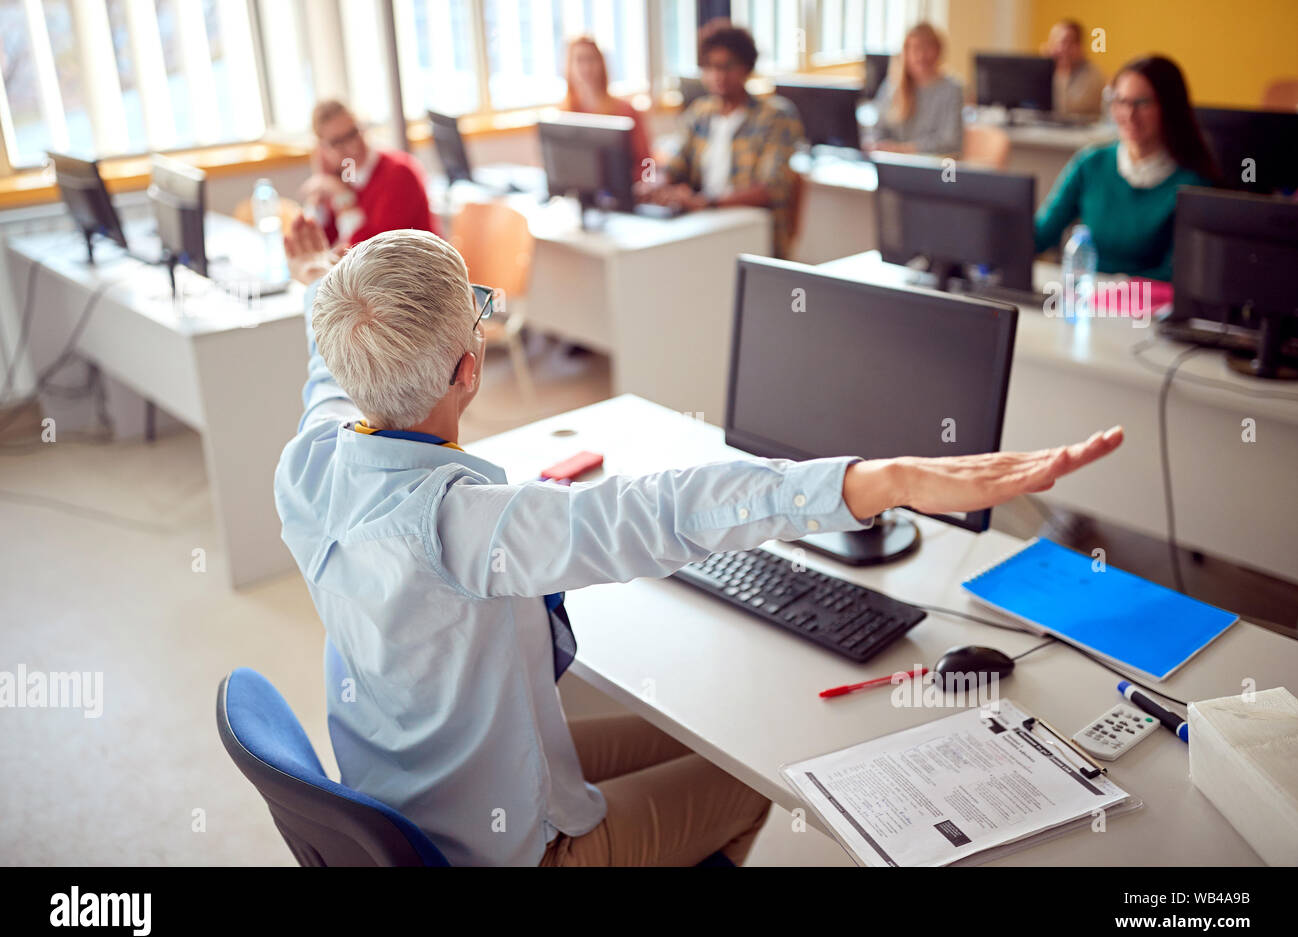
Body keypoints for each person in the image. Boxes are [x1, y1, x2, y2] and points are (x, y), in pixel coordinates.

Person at [274, 213, 1124, 867]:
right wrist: (887, 481)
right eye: (478, 317)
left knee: (689, 731)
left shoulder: (309, 461)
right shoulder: (464, 527)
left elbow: (327, 364)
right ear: (468, 368)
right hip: (507, 849)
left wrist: (326, 281)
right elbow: (663, 513)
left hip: (410, 791)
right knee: (759, 777)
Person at [1034, 56, 1218, 280]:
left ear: (1168, 107)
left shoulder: (1193, 183)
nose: (1129, 114)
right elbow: (1042, 233)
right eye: (1120, 101)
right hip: (1088, 301)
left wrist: (1118, 288)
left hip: (1148, 309)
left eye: (1142, 103)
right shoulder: (1091, 163)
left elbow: (1177, 274)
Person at [645, 20, 804, 259]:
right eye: (710, 67)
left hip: (751, 230)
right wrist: (657, 183)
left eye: (727, 66)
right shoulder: (701, 112)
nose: (717, 75)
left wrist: (706, 203)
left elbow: (770, 188)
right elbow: (677, 164)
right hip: (706, 225)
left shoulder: (774, 116)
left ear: (746, 68)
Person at [301, 99, 440, 249]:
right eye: (337, 142)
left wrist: (343, 197)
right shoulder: (345, 175)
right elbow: (317, 244)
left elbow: (369, 256)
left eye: (353, 133)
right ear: (323, 149)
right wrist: (320, 185)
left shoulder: (399, 174)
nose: (352, 146)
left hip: (414, 270)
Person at [561, 36, 652, 184]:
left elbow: (648, 161)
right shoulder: (564, 116)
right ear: (569, 67)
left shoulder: (626, 112)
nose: (586, 67)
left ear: (601, 64)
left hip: (626, 193)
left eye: (591, 59)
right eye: (579, 60)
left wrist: (648, 185)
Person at [869, 22, 963, 155]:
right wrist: (880, 145)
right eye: (915, 49)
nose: (921, 56)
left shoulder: (952, 89)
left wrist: (902, 150)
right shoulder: (892, 85)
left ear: (938, 50)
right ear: (905, 53)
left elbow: (950, 141)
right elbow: (877, 130)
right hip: (893, 163)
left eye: (927, 48)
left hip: (932, 165)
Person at [1044, 19, 1106, 117]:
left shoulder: (1092, 76)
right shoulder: (1049, 71)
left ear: (1079, 46)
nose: (1059, 49)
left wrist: (1062, 69)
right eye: (1054, 43)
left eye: (1064, 43)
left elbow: (1065, 110)